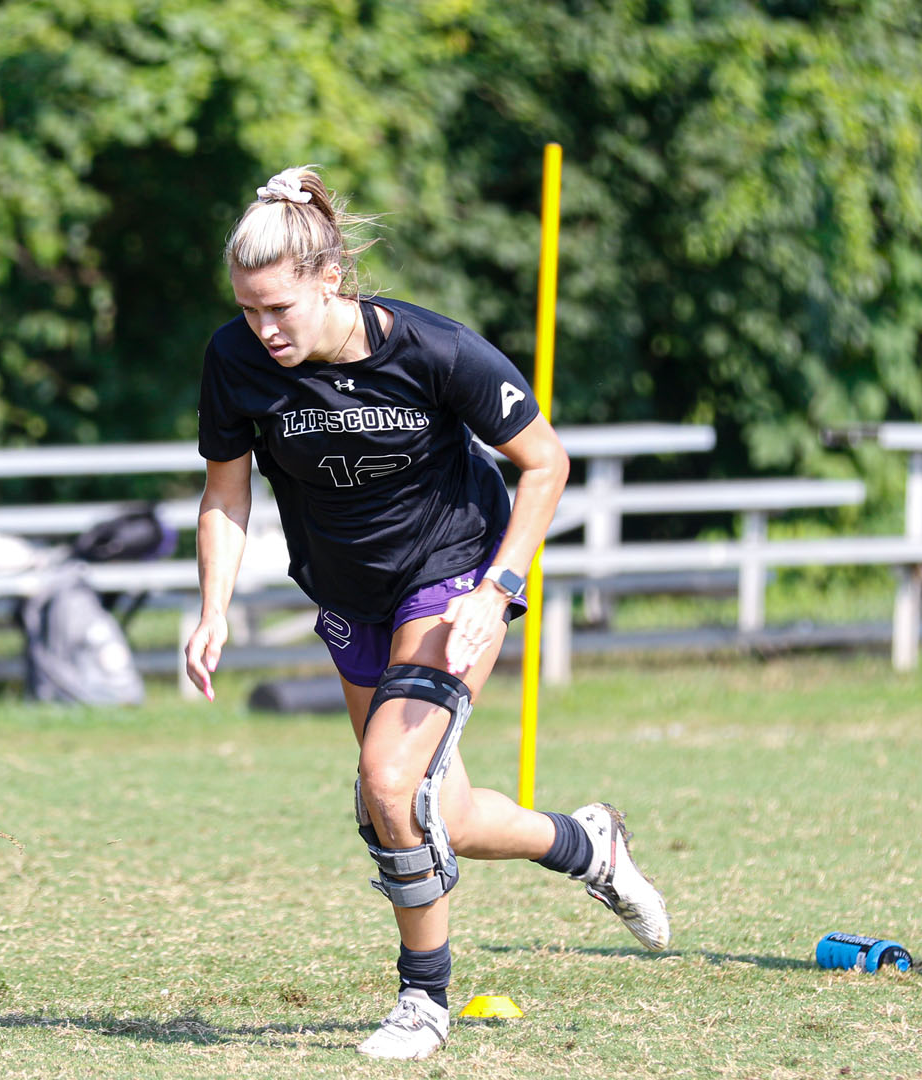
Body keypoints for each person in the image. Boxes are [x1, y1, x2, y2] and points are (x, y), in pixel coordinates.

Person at [185, 166, 672, 1060]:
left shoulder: (434, 350)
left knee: (386, 787)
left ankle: (423, 1002)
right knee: (430, 806)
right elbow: (225, 493)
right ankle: (588, 844)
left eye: (280, 309)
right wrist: (213, 605)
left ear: (329, 278)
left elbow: (547, 463)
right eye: (249, 311)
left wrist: (498, 588)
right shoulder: (234, 361)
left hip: (452, 574)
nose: (265, 330)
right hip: (346, 594)